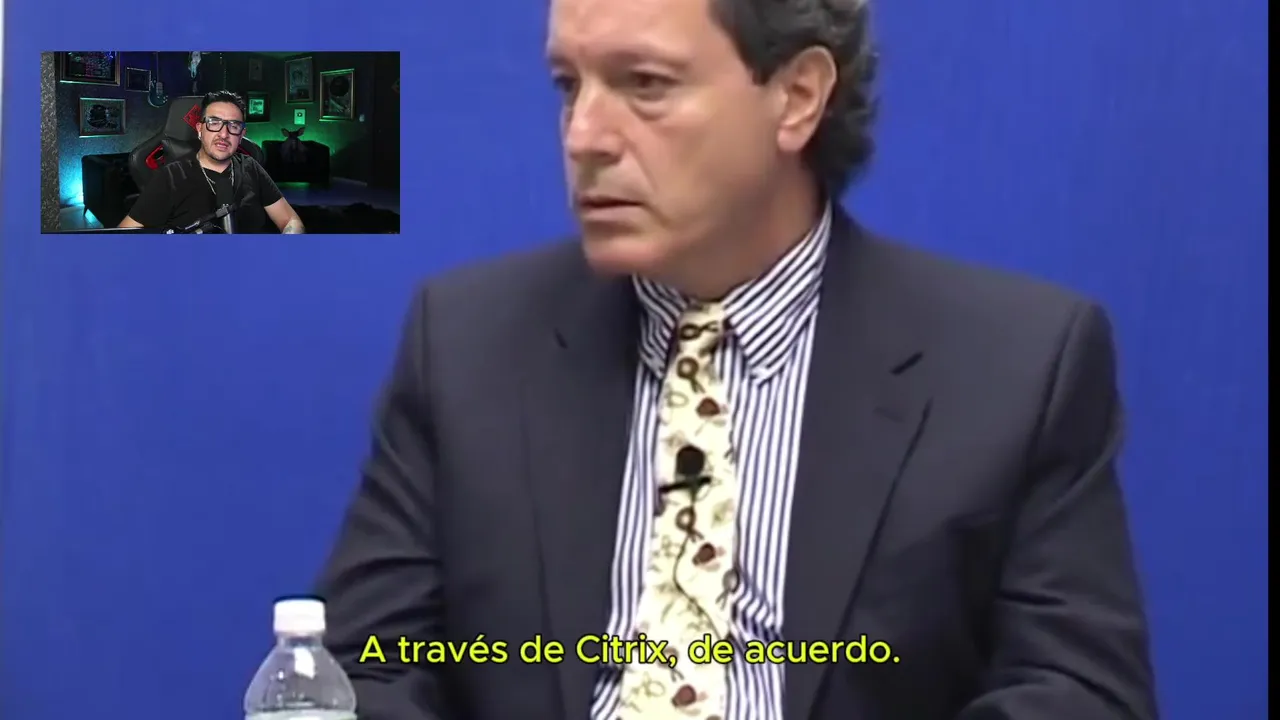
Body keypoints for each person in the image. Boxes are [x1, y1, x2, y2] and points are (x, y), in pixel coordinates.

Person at [314, 0, 1159, 717]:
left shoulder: (1014, 367)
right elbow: (359, 674)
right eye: (569, 85)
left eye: (646, 84)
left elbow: (1077, 696)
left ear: (797, 97)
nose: (585, 136)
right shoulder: (468, 346)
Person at [118, 90, 304, 234]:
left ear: (241, 135)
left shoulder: (251, 167)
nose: (223, 134)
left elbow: (291, 220)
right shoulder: (171, 176)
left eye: (233, 126)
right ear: (200, 129)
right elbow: (124, 235)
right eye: (214, 123)